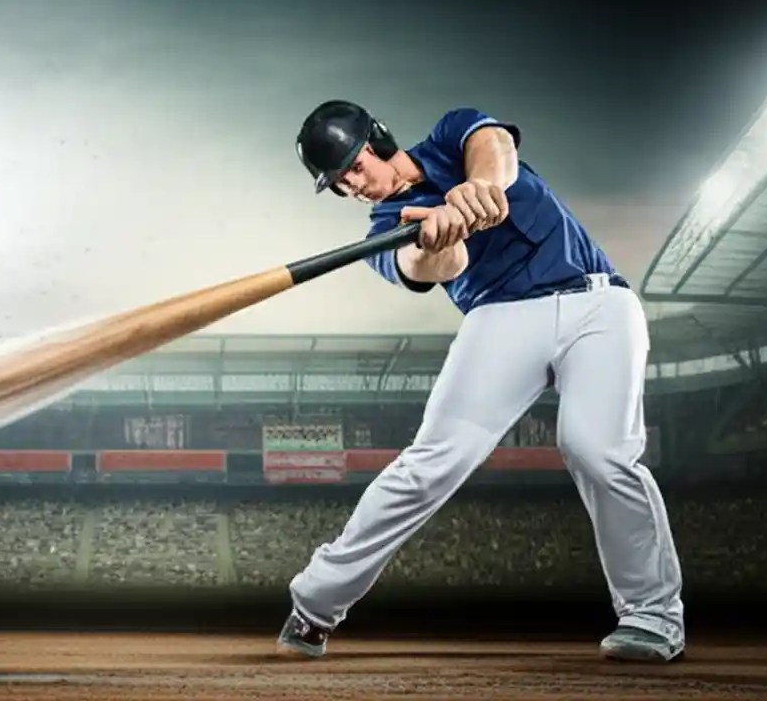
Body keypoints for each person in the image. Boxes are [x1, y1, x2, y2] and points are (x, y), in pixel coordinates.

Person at [277, 100, 685, 663]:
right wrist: (437, 240)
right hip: (499, 318)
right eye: (339, 181)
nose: (352, 185)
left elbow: (496, 148)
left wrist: (478, 190)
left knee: (596, 448)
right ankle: (315, 607)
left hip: (598, 303)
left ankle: (653, 617)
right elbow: (435, 270)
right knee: (431, 462)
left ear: (379, 137)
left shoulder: (450, 136)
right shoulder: (384, 229)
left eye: (353, 165)